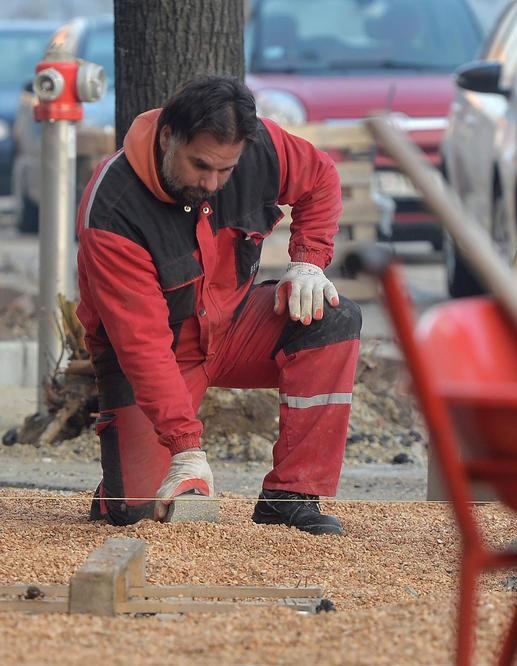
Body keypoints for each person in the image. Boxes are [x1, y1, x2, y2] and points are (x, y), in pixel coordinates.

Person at [75, 76, 362, 535]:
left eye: (225, 171)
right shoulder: (113, 210)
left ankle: (289, 497)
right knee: (137, 512)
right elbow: (142, 345)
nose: (211, 183)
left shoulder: (259, 146)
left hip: (233, 326)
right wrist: (186, 446)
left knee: (333, 318)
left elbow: (321, 177)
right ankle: (120, 486)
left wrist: (309, 262)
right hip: (159, 354)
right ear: (169, 137)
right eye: (200, 166)